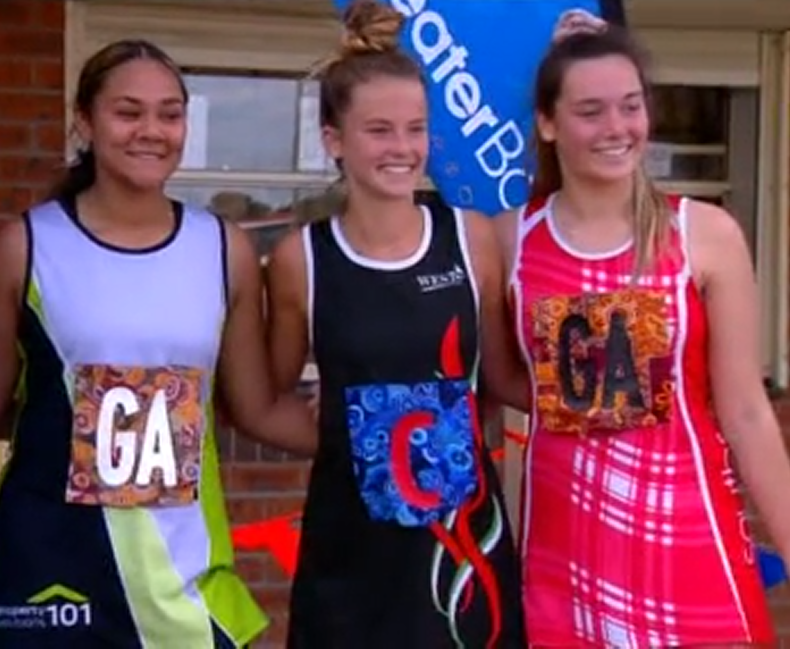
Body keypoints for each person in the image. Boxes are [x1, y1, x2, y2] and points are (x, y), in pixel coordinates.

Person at [0, 39, 316, 648]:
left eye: (170, 113)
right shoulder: (24, 245)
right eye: (128, 112)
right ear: (84, 121)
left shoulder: (224, 250)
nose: (151, 130)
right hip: (48, 571)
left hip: (180, 576)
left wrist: (370, 432)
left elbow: (257, 406)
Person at [495, 11, 790, 645]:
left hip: (688, 536)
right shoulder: (508, 240)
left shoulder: (703, 235)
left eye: (631, 107)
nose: (617, 128)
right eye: (590, 110)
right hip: (564, 552)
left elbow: (745, 412)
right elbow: (498, 378)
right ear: (548, 124)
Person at [264, 2, 528, 647]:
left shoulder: (472, 238)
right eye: (379, 130)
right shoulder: (304, 258)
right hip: (350, 550)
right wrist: (353, 438)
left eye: (415, 129)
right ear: (333, 139)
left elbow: (496, 383)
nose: (402, 148)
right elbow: (267, 401)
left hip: (463, 548)